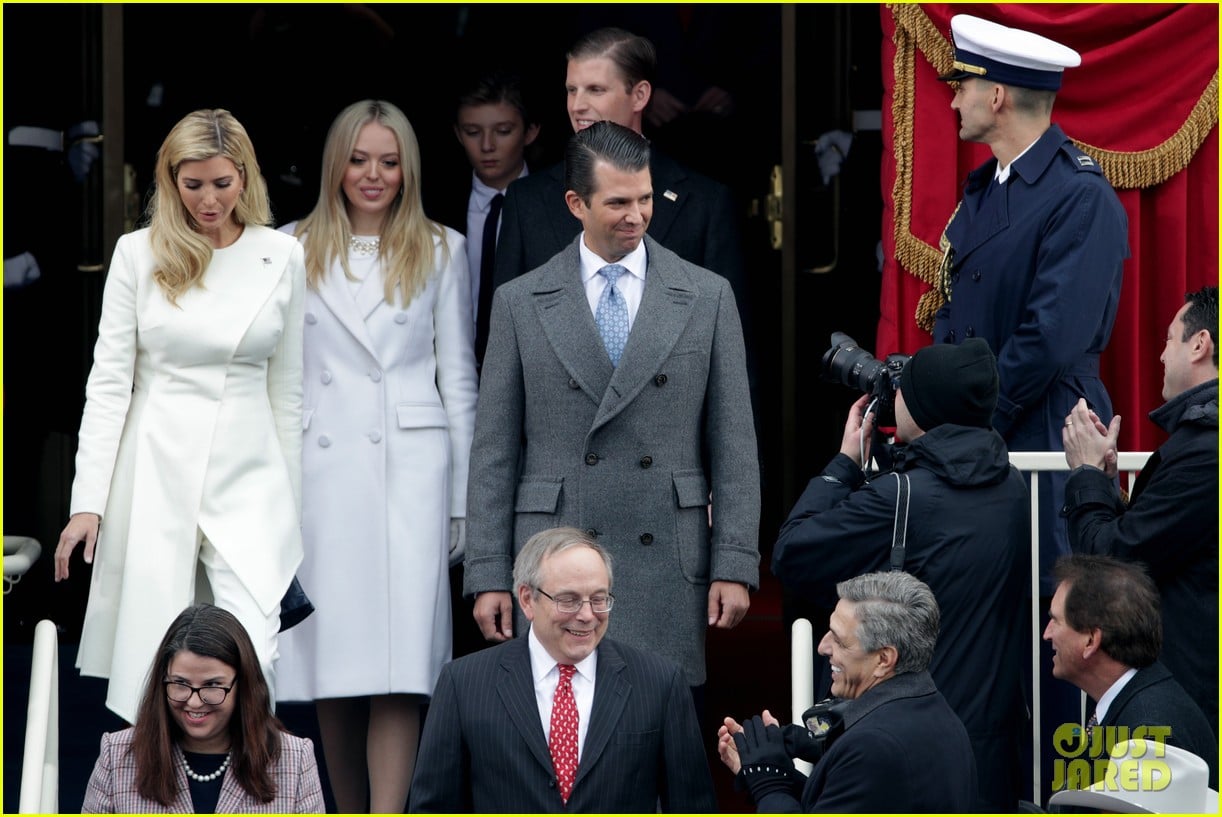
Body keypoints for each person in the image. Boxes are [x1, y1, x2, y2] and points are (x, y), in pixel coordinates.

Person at [463, 121, 759, 694]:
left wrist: (735, 561)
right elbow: (494, 451)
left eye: (644, 199)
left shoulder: (707, 295)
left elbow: (735, 446)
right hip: (554, 551)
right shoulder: (520, 302)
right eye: (618, 203)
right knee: (559, 722)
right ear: (576, 203)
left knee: (654, 722)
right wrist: (488, 573)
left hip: (664, 554)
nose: (637, 215)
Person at [54, 109, 305, 723]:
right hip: (156, 472)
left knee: (255, 654)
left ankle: (250, 777)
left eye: (222, 183)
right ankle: (161, 778)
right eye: (192, 185)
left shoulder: (282, 254)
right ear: (170, 180)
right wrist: (88, 504)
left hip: (250, 478)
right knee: (154, 660)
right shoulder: (137, 253)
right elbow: (109, 385)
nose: (208, 200)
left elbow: (287, 391)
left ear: (245, 177)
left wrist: (291, 512)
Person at [275, 99, 477, 814]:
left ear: (408, 169)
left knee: (399, 670)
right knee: (331, 667)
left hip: (409, 480)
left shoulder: (443, 247)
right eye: (358, 159)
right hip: (321, 476)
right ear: (335, 164)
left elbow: (458, 379)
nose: (373, 174)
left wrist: (463, 500)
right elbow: (279, 377)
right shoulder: (289, 246)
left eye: (389, 162)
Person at [770, 339, 1027, 810]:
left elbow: (793, 553)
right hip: (988, 741)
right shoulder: (1009, 483)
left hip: (911, 736)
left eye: (902, 388)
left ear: (925, 405)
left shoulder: (902, 497)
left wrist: (845, 464)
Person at [933, 13, 1129, 593]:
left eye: (963, 87)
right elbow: (954, 310)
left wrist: (976, 418)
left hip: (1044, 427)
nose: (954, 101)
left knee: (1048, 602)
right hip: (982, 430)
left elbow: (1050, 337)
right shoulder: (988, 187)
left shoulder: (1079, 195)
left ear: (996, 96)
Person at [410, 527, 716, 812]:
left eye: (599, 599)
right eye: (569, 600)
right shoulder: (464, 684)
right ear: (527, 600)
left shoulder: (659, 683)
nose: (587, 615)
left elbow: (693, 807)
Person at [492, 27, 746, 321]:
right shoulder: (526, 199)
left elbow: (728, 334)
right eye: (572, 90)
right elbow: (506, 327)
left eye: (595, 90)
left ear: (639, 95)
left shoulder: (705, 203)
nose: (577, 106)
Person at [1061, 286, 1219, 735]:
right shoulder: (1199, 442)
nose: (1162, 355)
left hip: (1188, 698)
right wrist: (1107, 483)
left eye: (1169, 339)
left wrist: (1086, 473)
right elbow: (1154, 541)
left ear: (1199, 344)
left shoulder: (1206, 452)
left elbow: (1113, 565)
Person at [717, 572, 977, 812]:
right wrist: (775, 774)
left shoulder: (873, 748)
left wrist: (769, 782)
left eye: (839, 640)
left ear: (884, 659)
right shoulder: (936, 712)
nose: (823, 647)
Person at [81, 604, 323, 813]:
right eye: (180, 684)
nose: (195, 702)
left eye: (212, 685)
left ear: (243, 685)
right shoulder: (117, 755)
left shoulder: (295, 759)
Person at [1043, 554, 1217, 789]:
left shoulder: (1149, 734)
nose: (1047, 634)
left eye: (1056, 620)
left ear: (1091, 640)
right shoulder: (1135, 699)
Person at [431, 70, 541, 368]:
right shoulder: (434, 207)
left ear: (530, 132)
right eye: (473, 132)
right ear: (458, 133)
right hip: (447, 365)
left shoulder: (556, 206)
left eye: (503, 131)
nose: (487, 145)